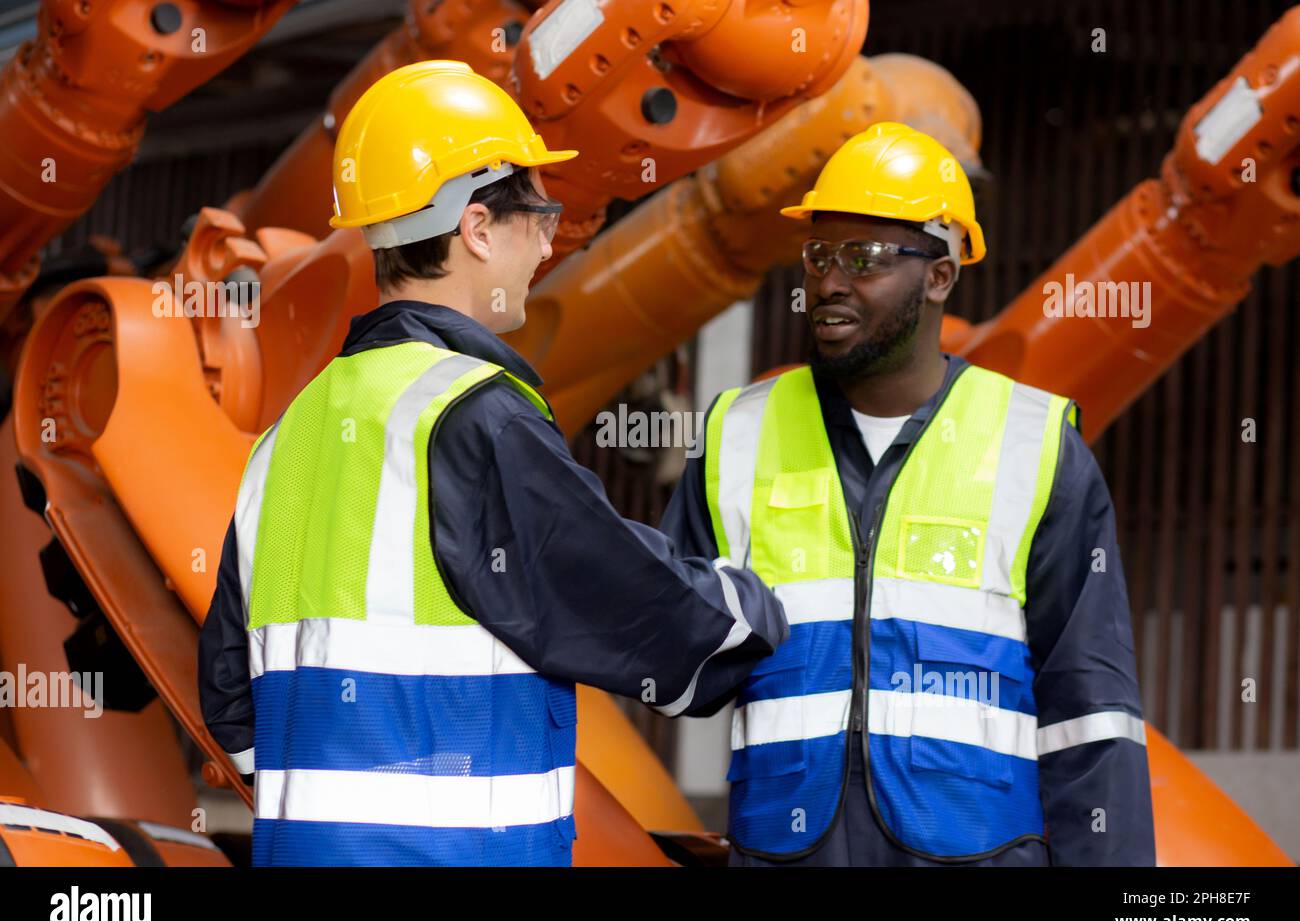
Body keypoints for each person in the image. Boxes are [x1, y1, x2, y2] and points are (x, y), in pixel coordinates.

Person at [197, 60, 788, 866]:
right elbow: (618, 595)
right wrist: (749, 611)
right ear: (477, 228)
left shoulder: (287, 433)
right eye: (539, 218)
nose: (547, 242)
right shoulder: (473, 413)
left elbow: (231, 699)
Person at [661, 121, 1155, 866]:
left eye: (864, 257)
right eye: (819, 255)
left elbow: (1091, 713)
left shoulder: (1036, 444)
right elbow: (671, 658)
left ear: (940, 274)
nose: (828, 282)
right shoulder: (736, 437)